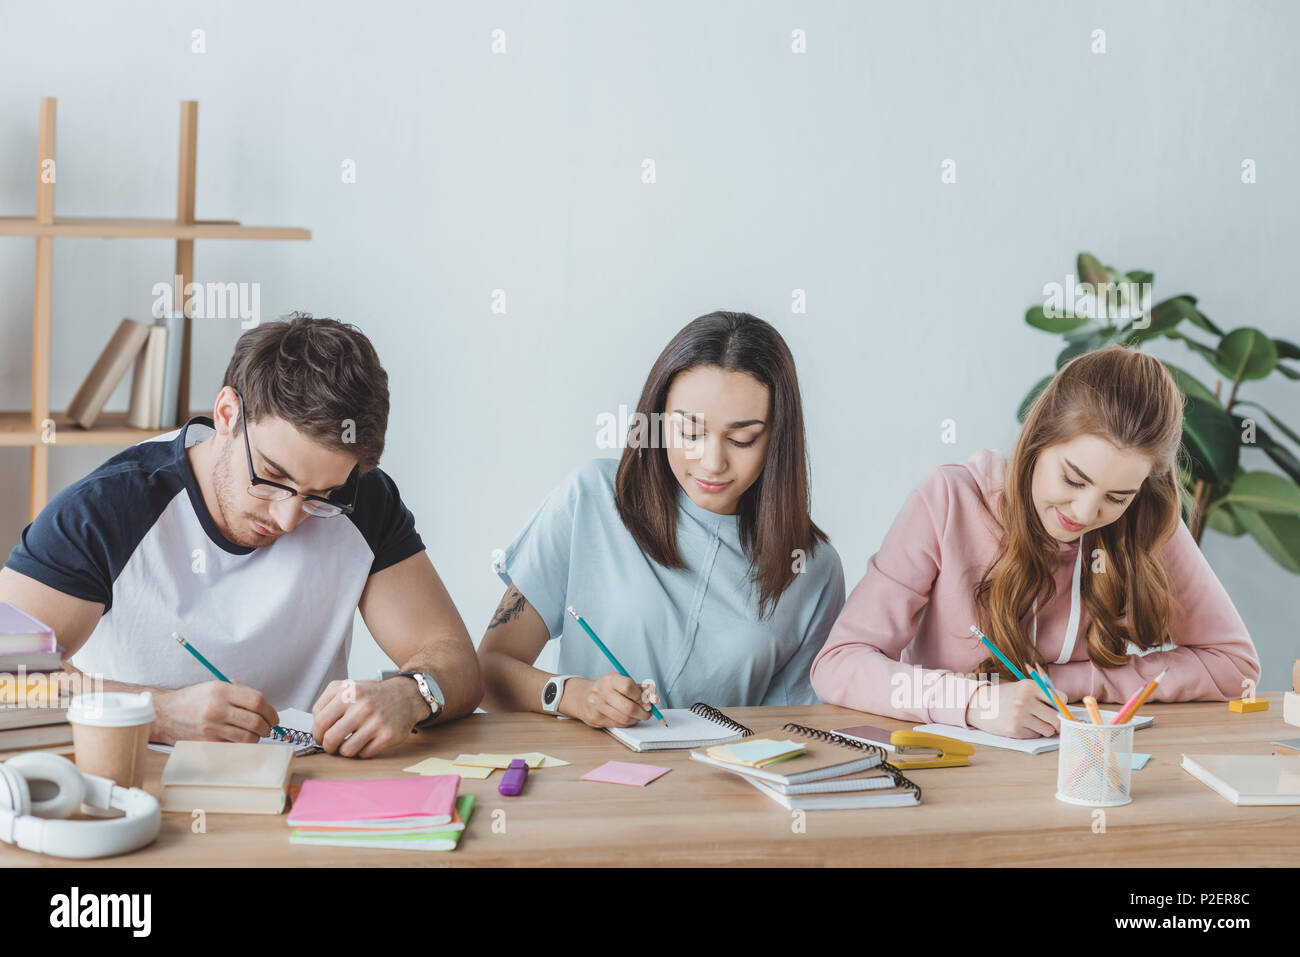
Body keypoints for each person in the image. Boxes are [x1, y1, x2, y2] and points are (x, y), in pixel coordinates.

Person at [0, 314, 482, 757]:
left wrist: (411, 694)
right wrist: (158, 714)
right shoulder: (108, 507)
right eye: (272, 476)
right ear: (228, 413)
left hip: (307, 791)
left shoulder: (363, 499)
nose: (289, 517)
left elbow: (456, 661)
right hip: (139, 791)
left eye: (322, 495)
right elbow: (9, 675)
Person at [811, 346, 1261, 738]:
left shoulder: (1146, 520)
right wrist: (974, 703)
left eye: (1116, 497)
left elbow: (1236, 667)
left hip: (1078, 769)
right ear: (1039, 438)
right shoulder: (948, 500)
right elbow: (839, 664)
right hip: (953, 770)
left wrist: (1064, 684)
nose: (1085, 514)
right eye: (1073, 478)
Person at [479, 310, 845, 727]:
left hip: (718, 788)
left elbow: (792, 732)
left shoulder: (813, 569)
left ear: (778, 438)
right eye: (689, 432)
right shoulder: (591, 498)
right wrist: (574, 696)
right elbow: (489, 673)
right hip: (589, 780)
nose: (711, 462)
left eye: (742, 439)